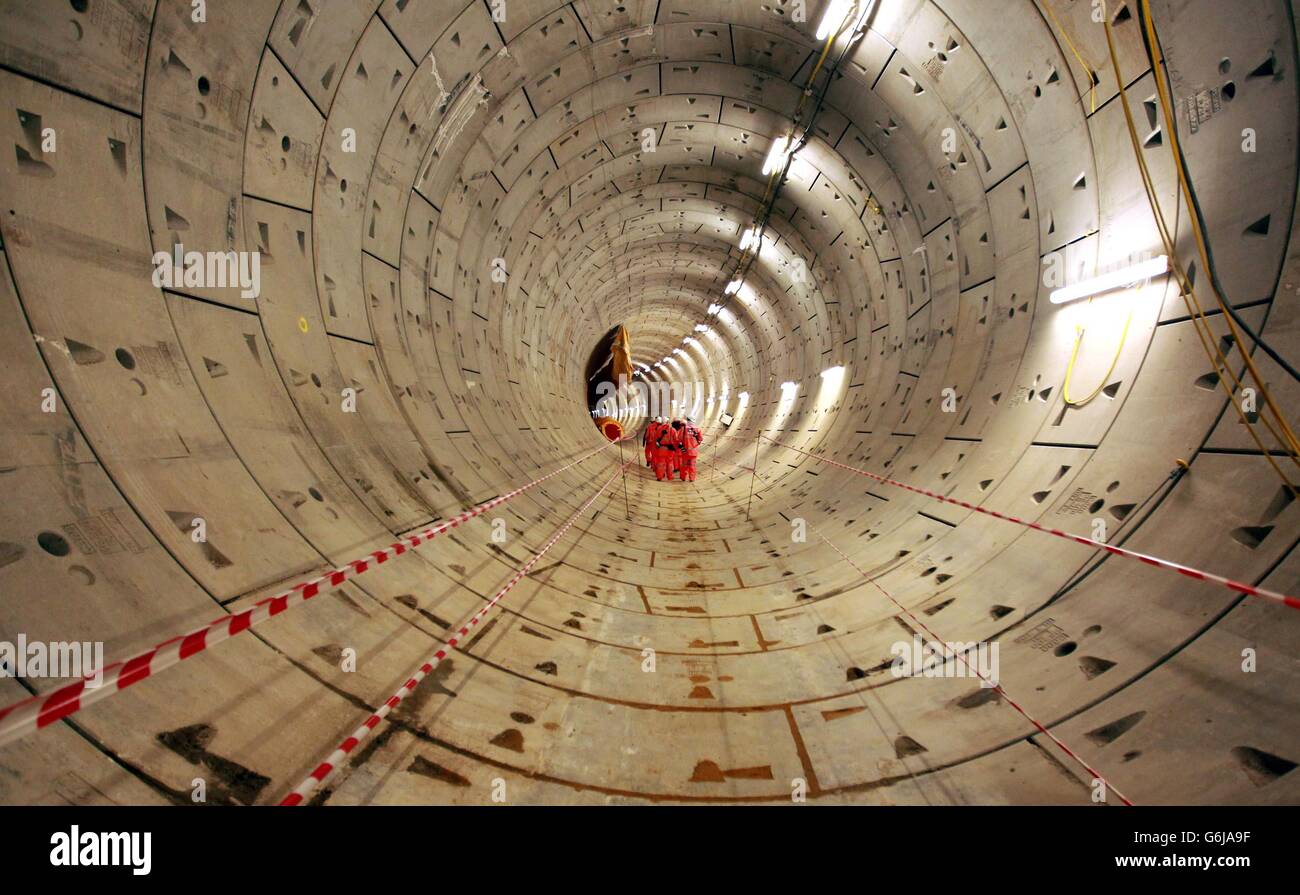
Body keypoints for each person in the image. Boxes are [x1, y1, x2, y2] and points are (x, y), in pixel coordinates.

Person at [676, 417, 704, 482]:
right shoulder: (697, 429)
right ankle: (691, 478)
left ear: (687, 421)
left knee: (684, 465)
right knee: (692, 465)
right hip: (693, 451)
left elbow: (678, 439)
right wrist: (695, 444)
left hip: (685, 451)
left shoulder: (683, 429)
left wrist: (681, 447)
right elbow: (700, 439)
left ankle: (683, 477)